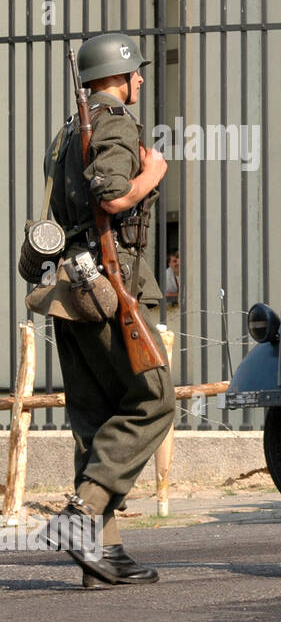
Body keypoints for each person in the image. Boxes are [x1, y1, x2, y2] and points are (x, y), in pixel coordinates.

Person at [35, 33, 174, 587]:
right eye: (135, 71)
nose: (141, 78)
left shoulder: (69, 130)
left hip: (71, 284)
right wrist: (155, 173)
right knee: (154, 399)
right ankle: (83, 515)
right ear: (116, 76)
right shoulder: (113, 121)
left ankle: (102, 553)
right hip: (110, 282)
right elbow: (114, 196)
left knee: (94, 418)